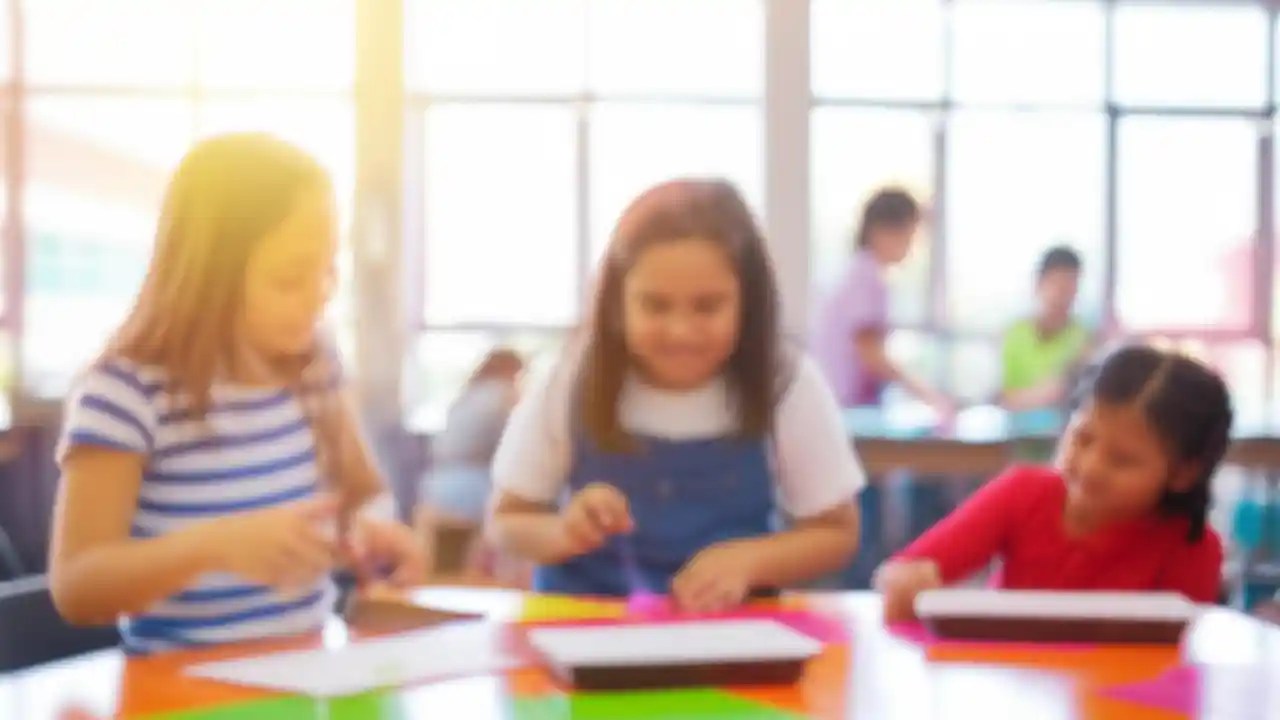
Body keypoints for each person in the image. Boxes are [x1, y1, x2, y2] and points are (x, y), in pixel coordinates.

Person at [49, 134, 425, 653]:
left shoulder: (314, 365)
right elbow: (76, 586)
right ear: (211, 276)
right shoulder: (127, 392)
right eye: (291, 277)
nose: (319, 293)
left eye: (328, 268)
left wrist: (371, 531)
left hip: (307, 672)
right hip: (176, 689)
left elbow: (358, 494)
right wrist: (212, 548)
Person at [487, 178, 864, 612]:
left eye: (707, 306)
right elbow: (506, 521)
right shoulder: (574, 376)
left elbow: (837, 532)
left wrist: (749, 561)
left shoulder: (784, 379)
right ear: (616, 303)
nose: (681, 331)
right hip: (587, 629)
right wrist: (564, 532)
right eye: (654, 305)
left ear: (748, 302)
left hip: (732, 637)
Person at [876, 345, 1231, 621]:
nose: (1091, 467)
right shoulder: (1023, 493)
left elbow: (1179, 661)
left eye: (1123, 460)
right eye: (1082, 438)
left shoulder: (1191, 545)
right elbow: (903, 573)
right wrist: (907, 583)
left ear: (1183, 473)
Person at [812, 187, 951, 414]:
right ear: (882, 231)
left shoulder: (857, 271)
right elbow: (871, 354)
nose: (911, 246)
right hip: (845, 405)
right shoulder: (866, 278)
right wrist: (927, 395)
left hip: (840, 403)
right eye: (910, 235)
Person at [417, 348, 523, 580]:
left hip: (436, 483)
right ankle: (484, 578)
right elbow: (513, 451)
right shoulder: (503, 395)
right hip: (472, 484)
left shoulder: (466, 394)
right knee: (515, 507)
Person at [1001, 246, 1094, 411]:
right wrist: (1044, 394)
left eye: (1070, 287)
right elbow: (1005, 399)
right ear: (1039, 284)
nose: (1063, 296)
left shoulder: (1085, 337)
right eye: (1058, 285)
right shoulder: (1016, 335)